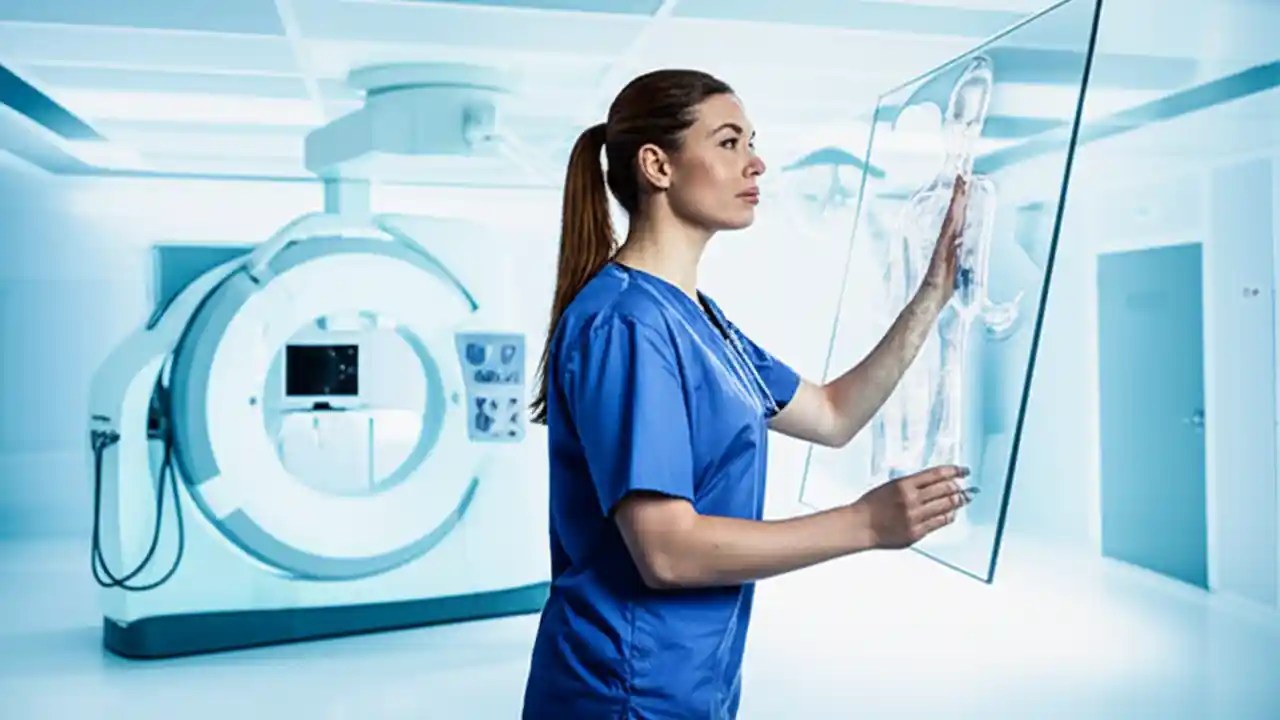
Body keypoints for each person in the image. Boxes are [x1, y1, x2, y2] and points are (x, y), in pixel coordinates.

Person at [521, 69, 973, 720]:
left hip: (691, 683)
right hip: (623, 693)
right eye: (729, 142)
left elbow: (832, 413)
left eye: (751, 142)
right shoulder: (626, 324)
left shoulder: (700, 319)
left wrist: (933, 293)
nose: (756, 162)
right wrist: (866, 524)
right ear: (658, 166)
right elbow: (666, 552)